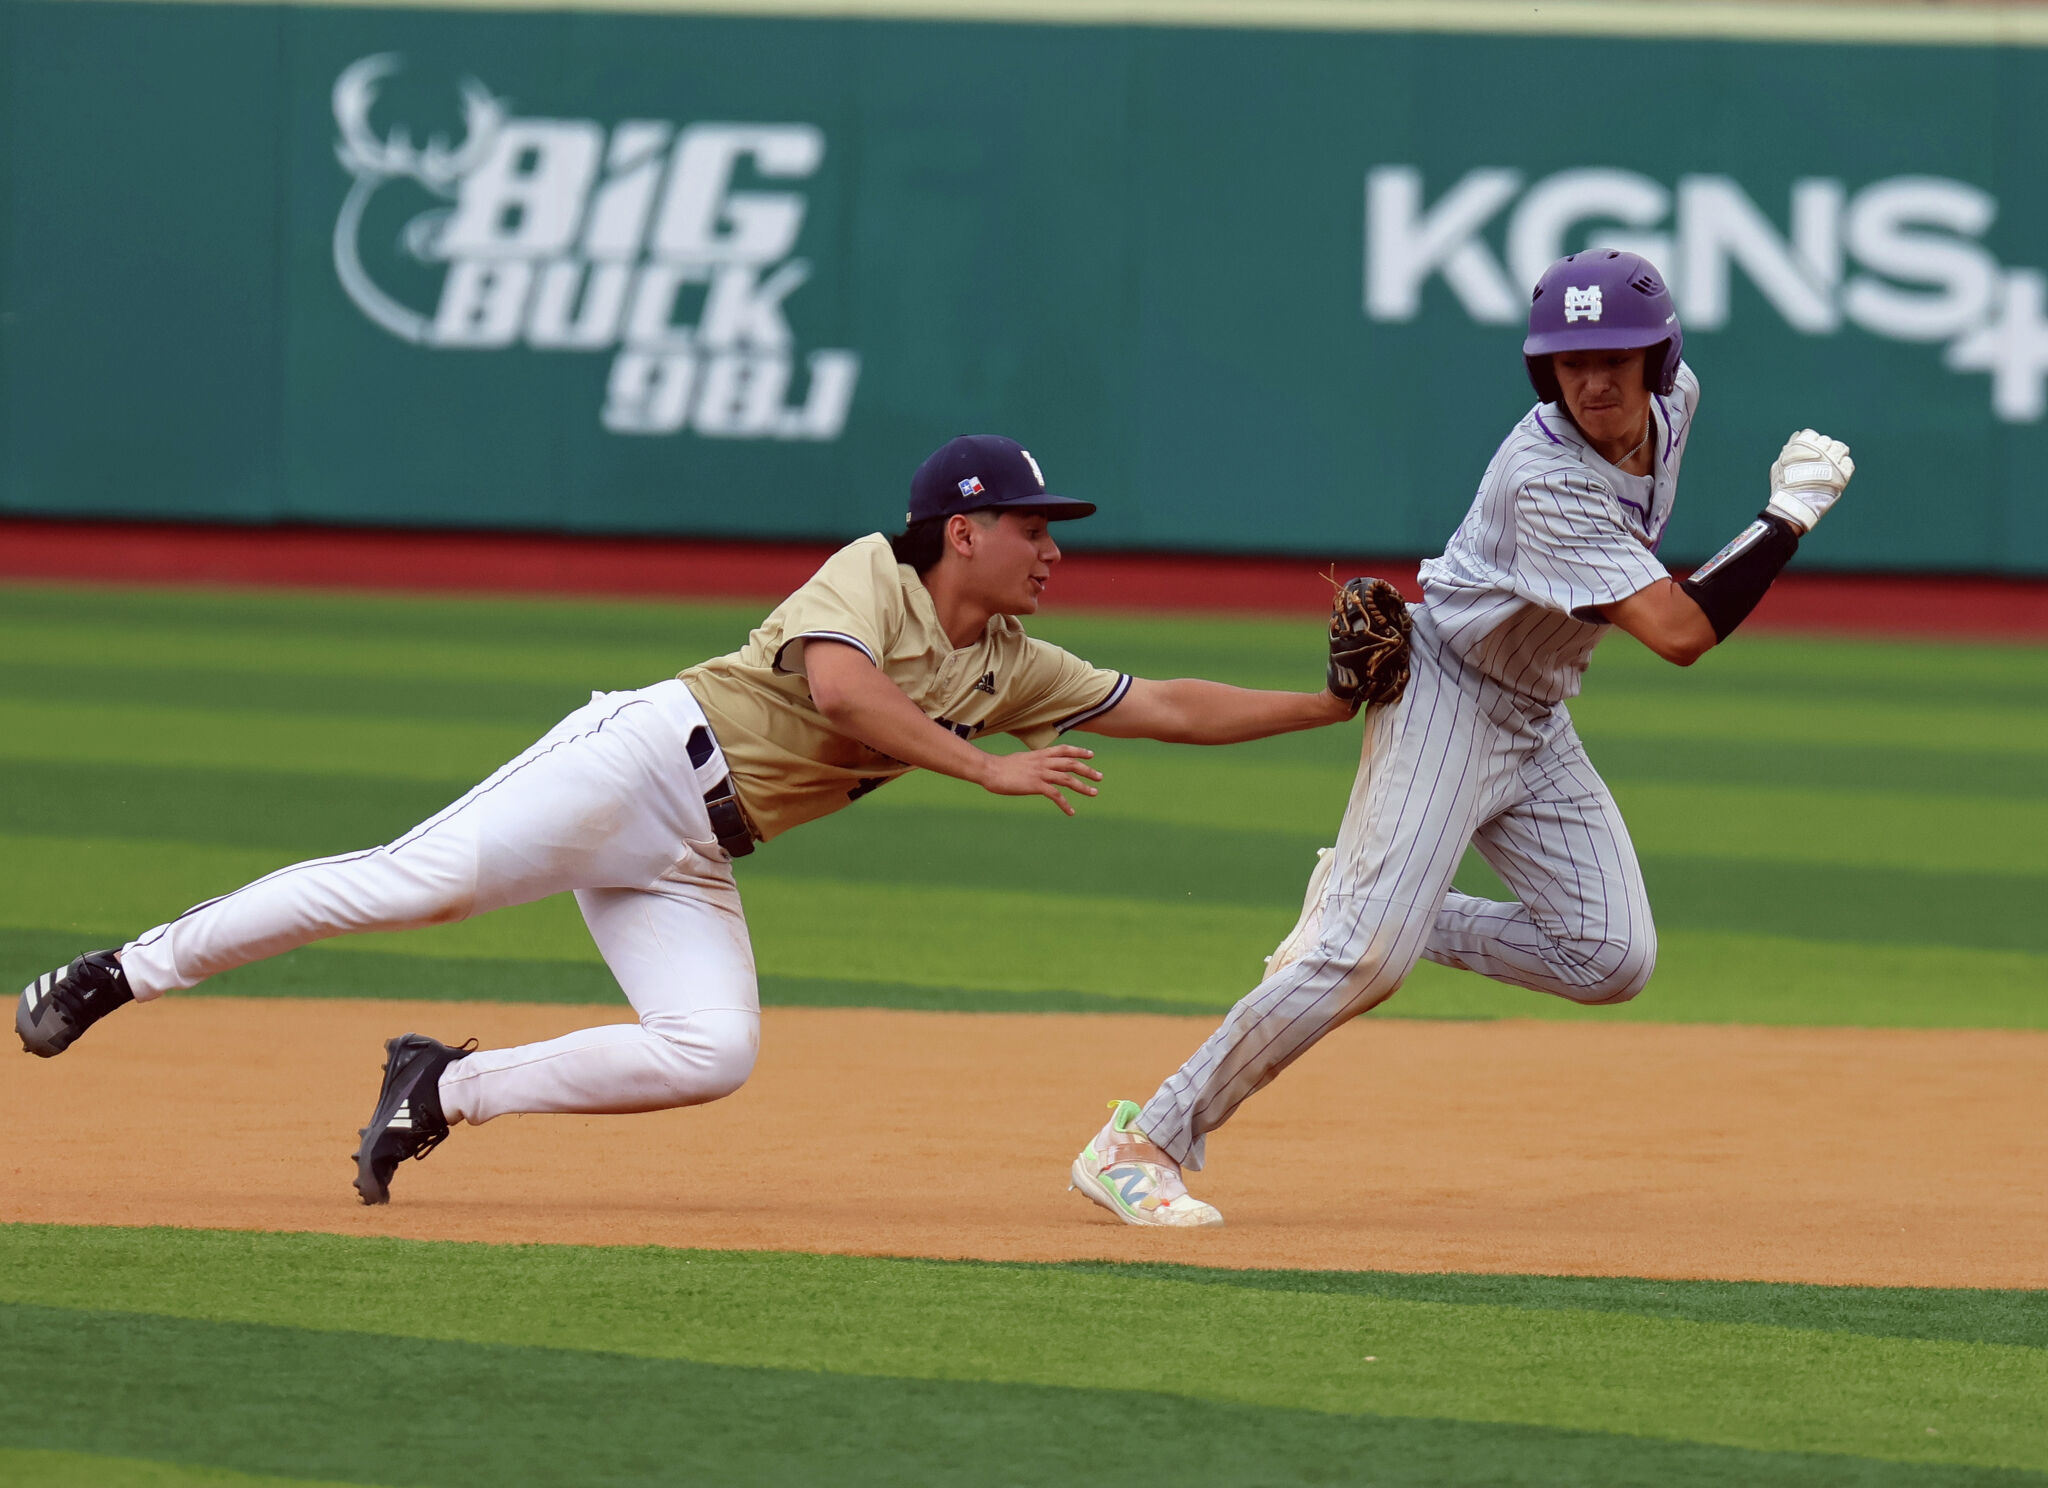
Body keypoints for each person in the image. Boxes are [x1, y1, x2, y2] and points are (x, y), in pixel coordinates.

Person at [18, 434, 1373, 1206]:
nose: (1054, 548)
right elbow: (840, 692)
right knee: (409, 886)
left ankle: (441, 1087)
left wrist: (1329, 703)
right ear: (963, 532)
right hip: (641, 761)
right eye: (1034, 527)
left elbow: (1180, 707)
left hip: (694, 850)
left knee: (711, 1050)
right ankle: (115, 973)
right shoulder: (872, 576)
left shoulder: (1012, 662)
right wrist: (985, 771)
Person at [1070, 250, 1854, 1228]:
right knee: (1362, 963)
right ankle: (1141, 1140)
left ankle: (1375, 898)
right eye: (1570, 362)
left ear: (1659, 359)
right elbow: (1679, 633)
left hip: (1534, 710)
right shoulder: (1542, 476)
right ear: (1543, 373)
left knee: (1610, 957)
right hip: (1445, 688)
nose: (1595, 379)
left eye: (1616, 355)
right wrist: (1782, 519)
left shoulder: (1673, 402)